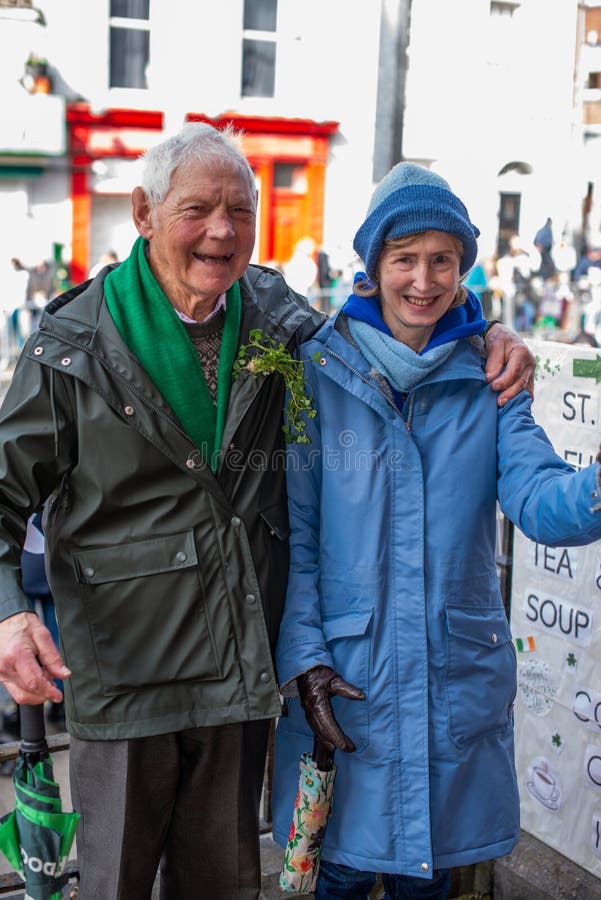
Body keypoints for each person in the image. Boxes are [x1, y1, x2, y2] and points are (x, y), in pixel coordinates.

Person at [0, 125, 531, 900]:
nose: (221, 231)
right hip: (122, 675)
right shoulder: (73, 341)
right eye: (197, 210)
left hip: (234, 676)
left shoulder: (276, 315)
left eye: (239, 211)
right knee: (114, 882)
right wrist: (10, 614)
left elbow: (388, 331)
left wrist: (482, 331)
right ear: (144, 213)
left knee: (222, 883)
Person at [271, 162, 601, 900]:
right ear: (373, 265)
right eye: (404, 259)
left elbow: (540, 497)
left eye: (442, 260)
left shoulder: (490, 374)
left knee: (431, 878)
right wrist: (306, 659)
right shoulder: (315, 371)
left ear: (462, 268)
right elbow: (297, 538)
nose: (423, 281)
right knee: (338, 874)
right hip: (349, 687)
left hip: (451, 686)